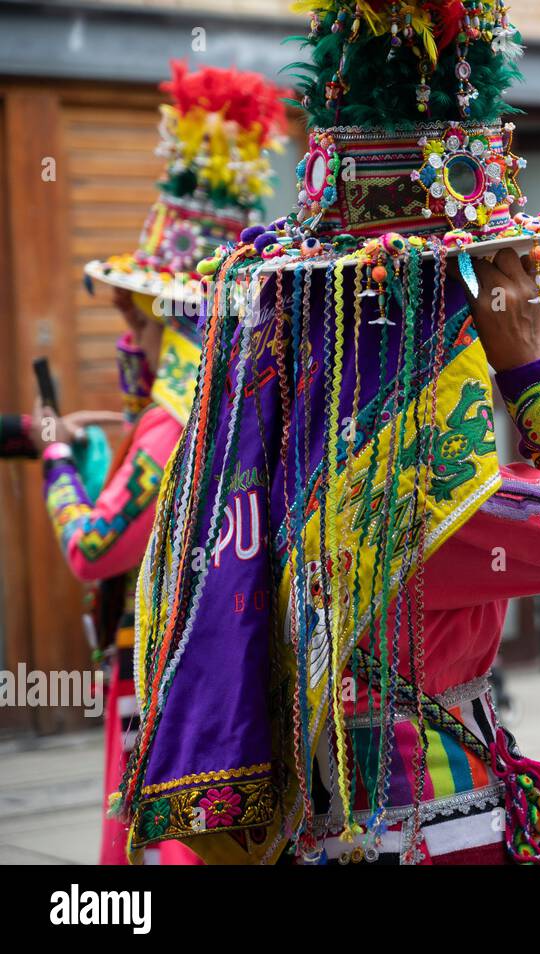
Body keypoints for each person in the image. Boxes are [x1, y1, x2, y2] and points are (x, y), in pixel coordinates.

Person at [116, 2, 540, 865]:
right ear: (452, 319)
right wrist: (529, 364)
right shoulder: (444, 495)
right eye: (487, 286)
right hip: (432, 831)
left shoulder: (250, 451)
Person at [39, 62, 289, 865]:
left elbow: (94, 544)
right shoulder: (239, 406)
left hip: (167, 683)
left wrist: (59, 465)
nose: (123, 335)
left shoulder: (170, 423)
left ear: (167, 320)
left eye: (130, 313)